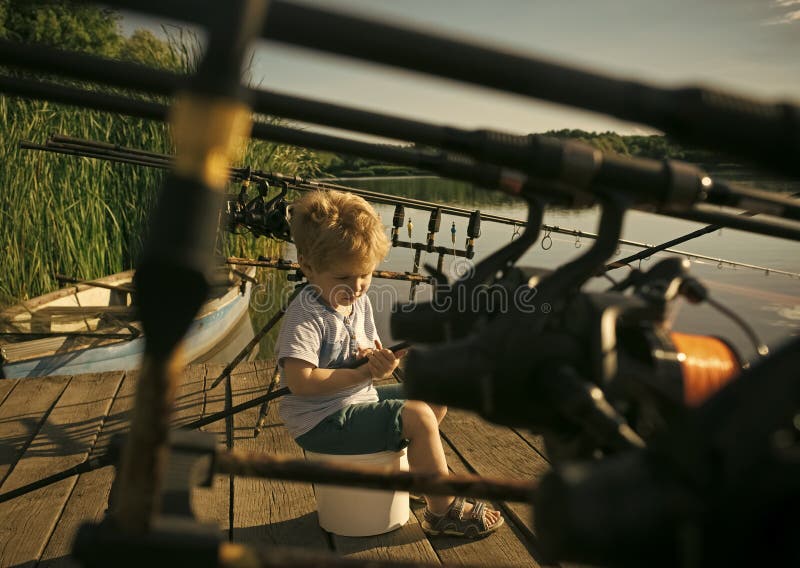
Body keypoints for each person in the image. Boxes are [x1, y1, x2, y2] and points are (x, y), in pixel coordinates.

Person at [276, 189, 504, 538]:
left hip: (355, 401)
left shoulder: (356, 300)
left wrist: (376, 358)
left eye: (365, 274)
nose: (356, 287)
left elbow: (362, 349)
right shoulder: (306, 314)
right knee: (416, 415)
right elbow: (300, 381)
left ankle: (418, 477)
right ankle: (442, 511)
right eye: (343, 277)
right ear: (307, 266)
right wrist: (365, 372)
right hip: (320, 422)